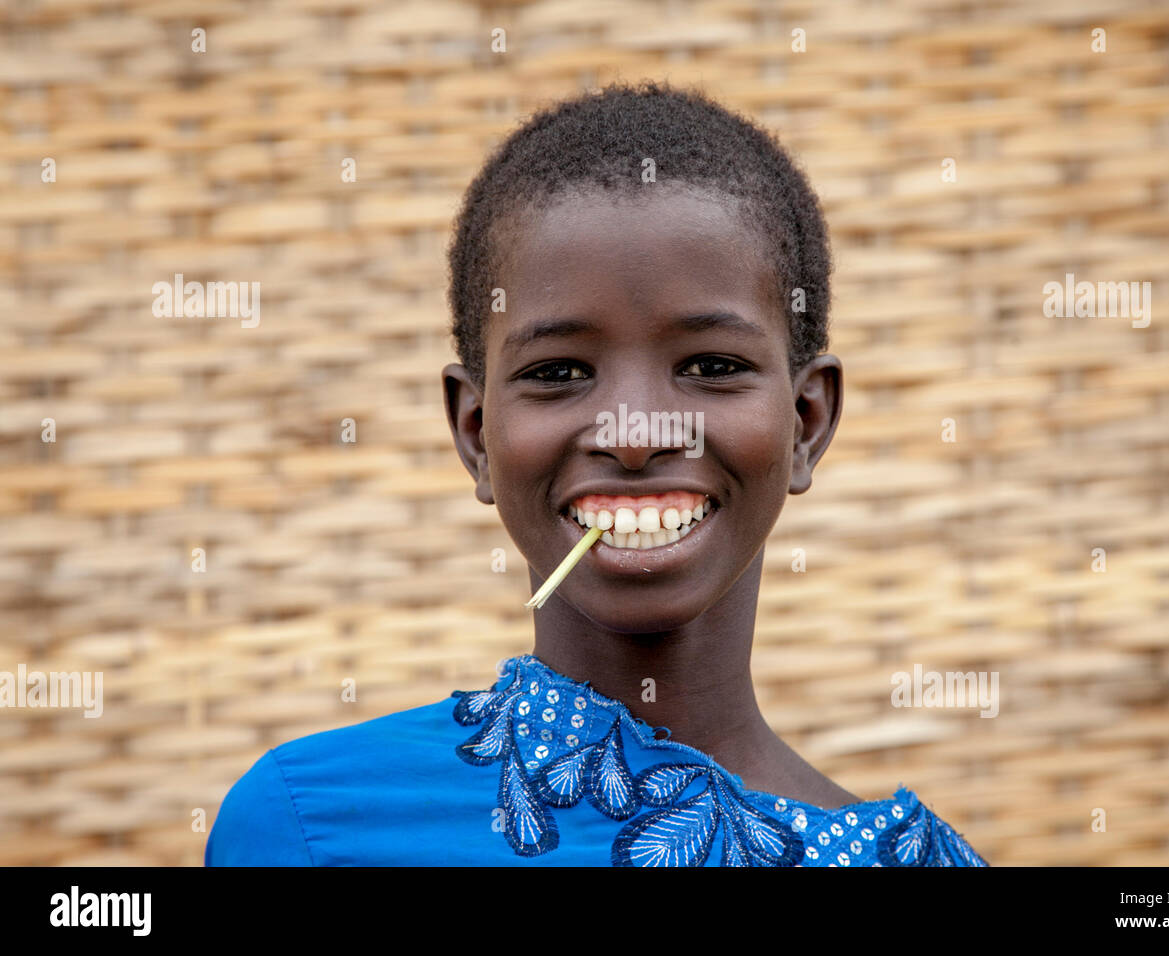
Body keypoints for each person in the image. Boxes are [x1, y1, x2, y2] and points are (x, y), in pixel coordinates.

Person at [206, 80, 988, 866]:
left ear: (806, 423)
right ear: (476, 431)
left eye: (711, 365)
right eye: (558, 373)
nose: (637, 433)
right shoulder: (313, 825)